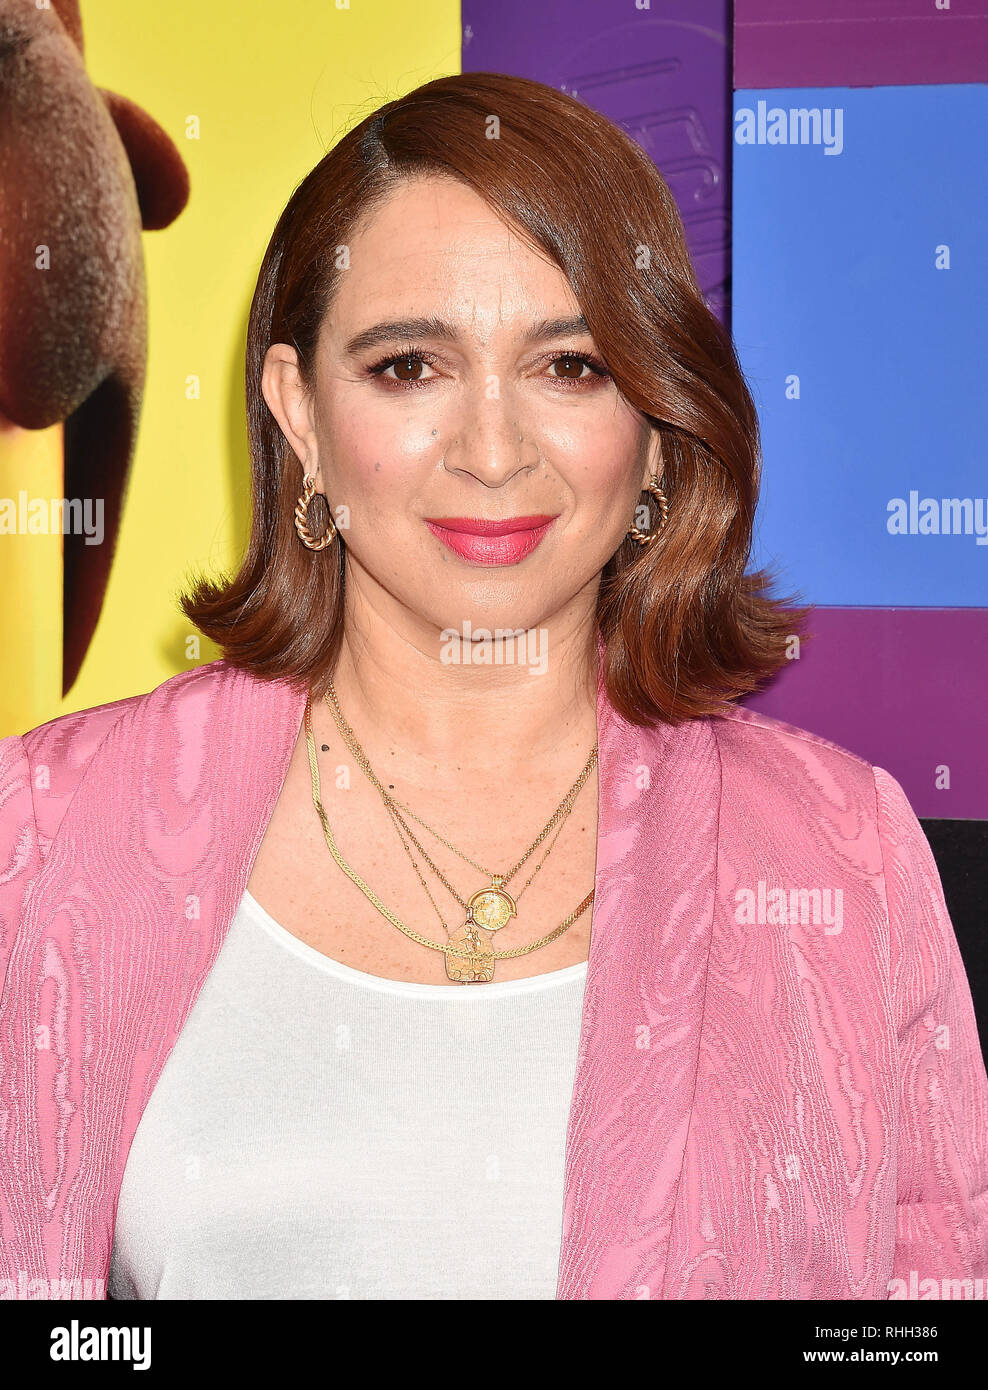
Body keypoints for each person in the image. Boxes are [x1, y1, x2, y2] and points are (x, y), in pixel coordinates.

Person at [1, 71, 985, 1303]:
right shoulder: (39, 837)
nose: (490, 448)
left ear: (653, 418)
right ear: (299, 415)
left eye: (567, 366)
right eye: (410, 366)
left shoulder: (842, 854)